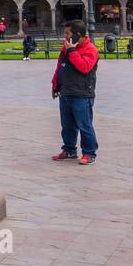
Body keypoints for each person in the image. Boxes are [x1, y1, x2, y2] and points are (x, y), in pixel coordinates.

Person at [52, 20, 98, 165]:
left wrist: (72, 51)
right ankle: (69, 150)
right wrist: (55, 86)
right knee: (67, 125)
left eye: (68, 33)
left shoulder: (91, 50)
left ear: (78, 34)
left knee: (85, 125)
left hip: (82, 94)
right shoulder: (65, 48)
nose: (65, 37)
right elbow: (60, 68)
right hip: (66, 92)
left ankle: (89, 153)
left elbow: (84, 67)